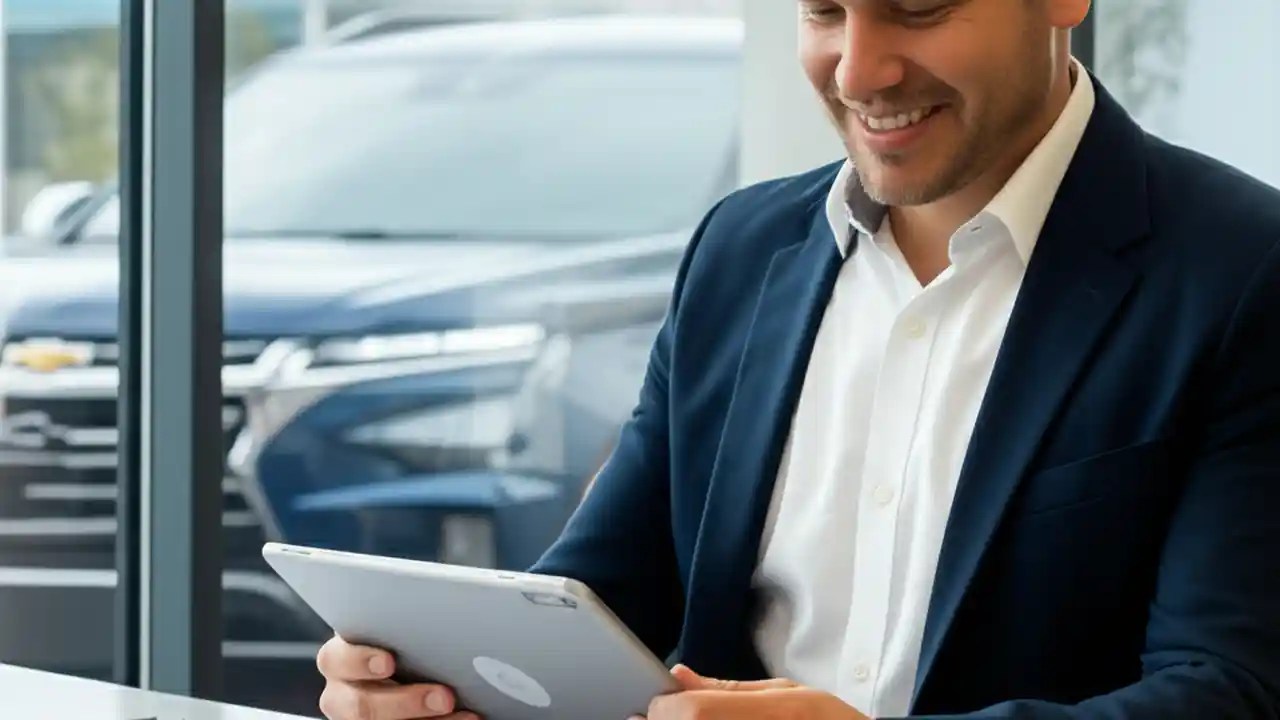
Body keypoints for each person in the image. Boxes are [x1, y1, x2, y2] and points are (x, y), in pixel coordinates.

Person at [314, 1, 1280, 718]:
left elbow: (1230, 692)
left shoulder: (1242, 270)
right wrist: (442, 676)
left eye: (917, 9)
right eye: (825, 11)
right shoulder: (741, 248)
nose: (860, 71)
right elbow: (600, 596)